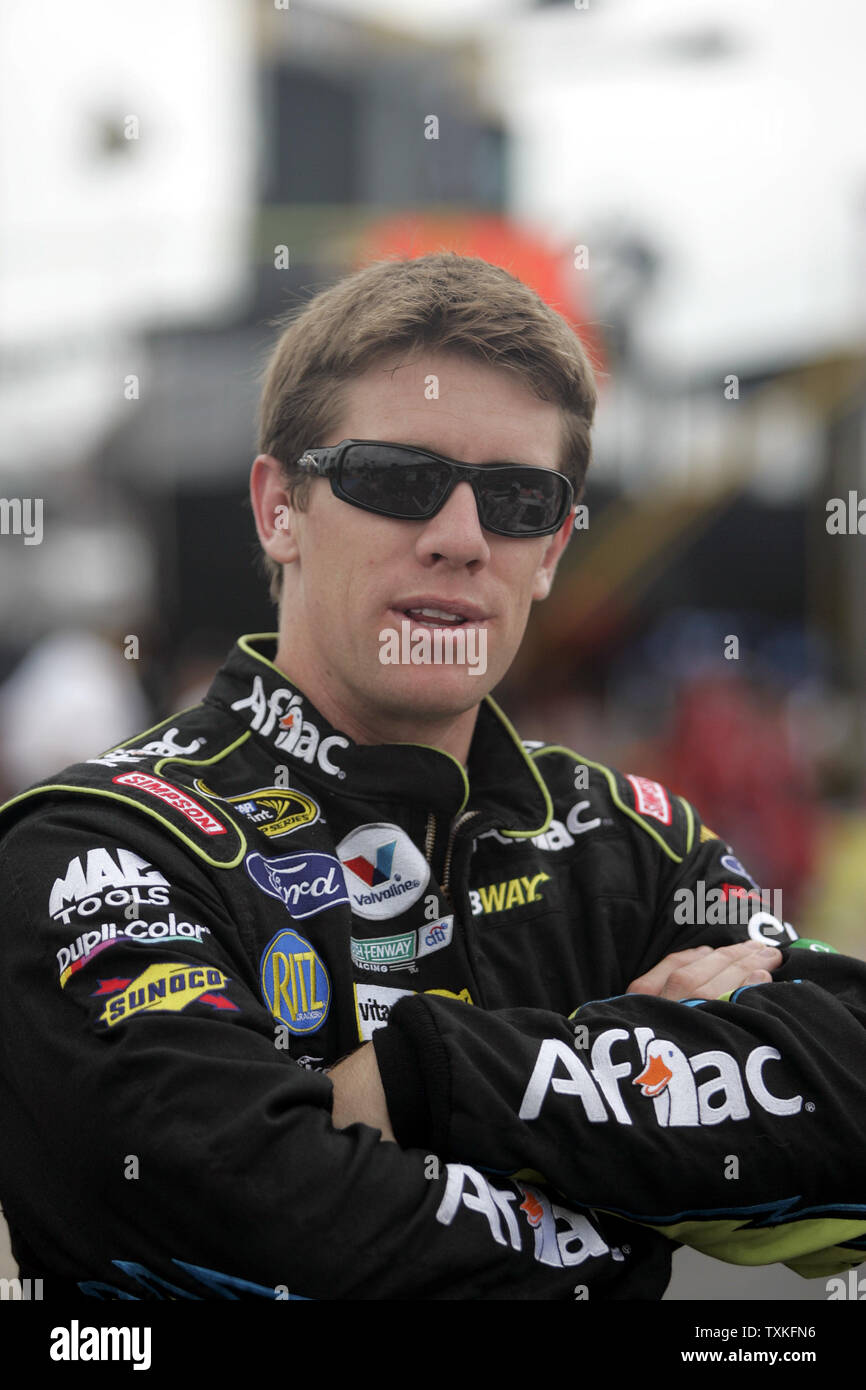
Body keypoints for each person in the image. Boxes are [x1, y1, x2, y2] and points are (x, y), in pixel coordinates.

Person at [0, 253, 863, 1302]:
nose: (459, 539)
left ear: (550, 549)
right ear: (280, 508)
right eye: (397, 480)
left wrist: (423, 1078)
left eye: (515, 498)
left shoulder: (629, 845)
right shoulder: (100, 844)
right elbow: (226, 1209)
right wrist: (628, 1150)